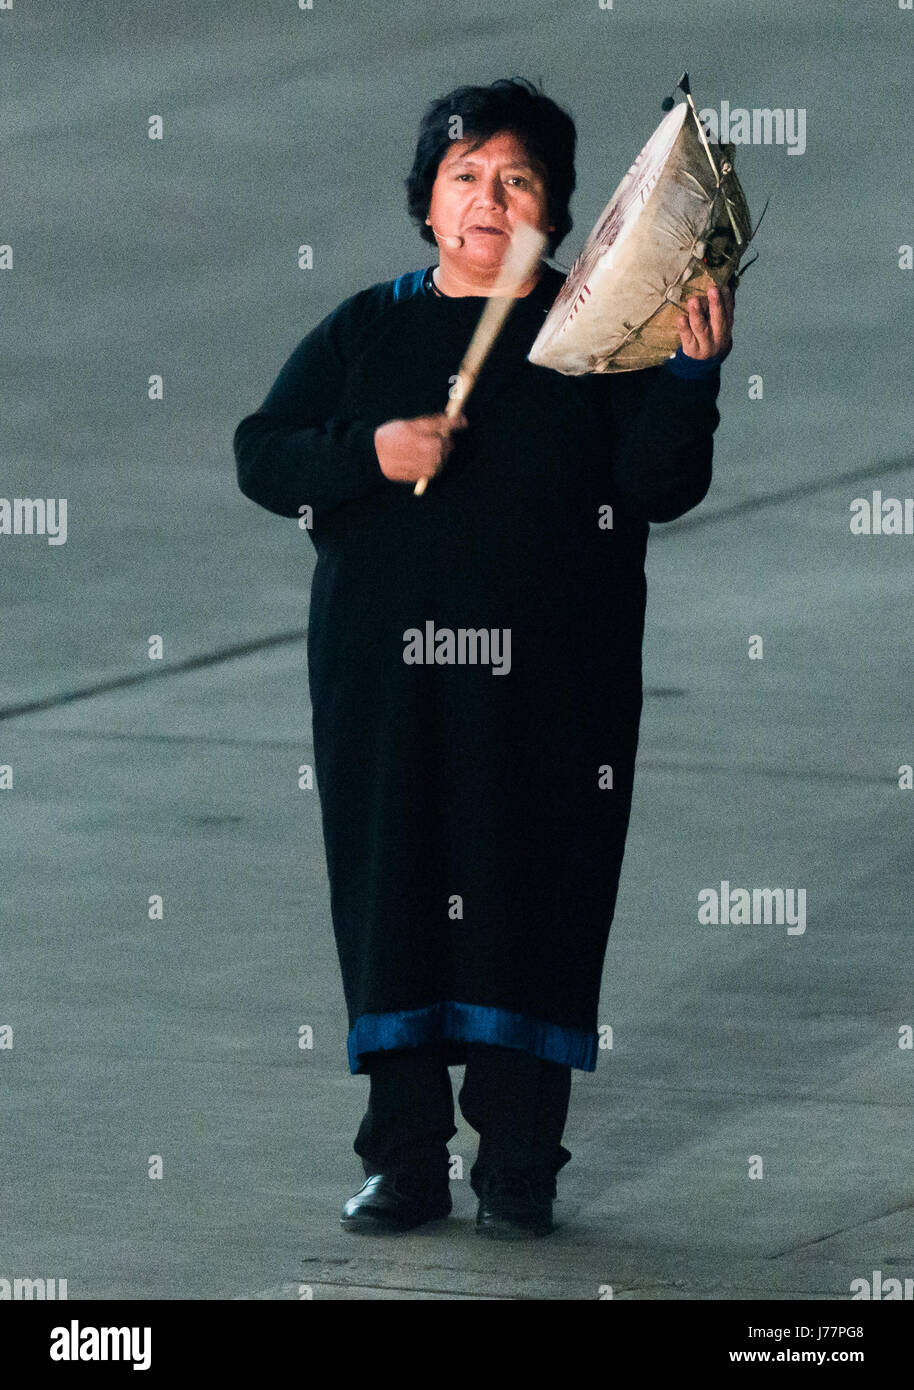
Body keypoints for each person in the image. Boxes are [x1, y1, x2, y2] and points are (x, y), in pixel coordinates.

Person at [233, 77, 735, 1240]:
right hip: (384, 677)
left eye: (516, 179)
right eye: (464, 177)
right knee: (392, 889)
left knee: (536, 892)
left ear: (556, 209)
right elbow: (264, 455)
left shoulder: (599, 336)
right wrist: (370, 446)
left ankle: (518, 1162)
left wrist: (691, 379)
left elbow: (658, 485)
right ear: (426, 204)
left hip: (555, 683)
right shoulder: (368, 328)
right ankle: (402, 1158)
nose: (486, 199)